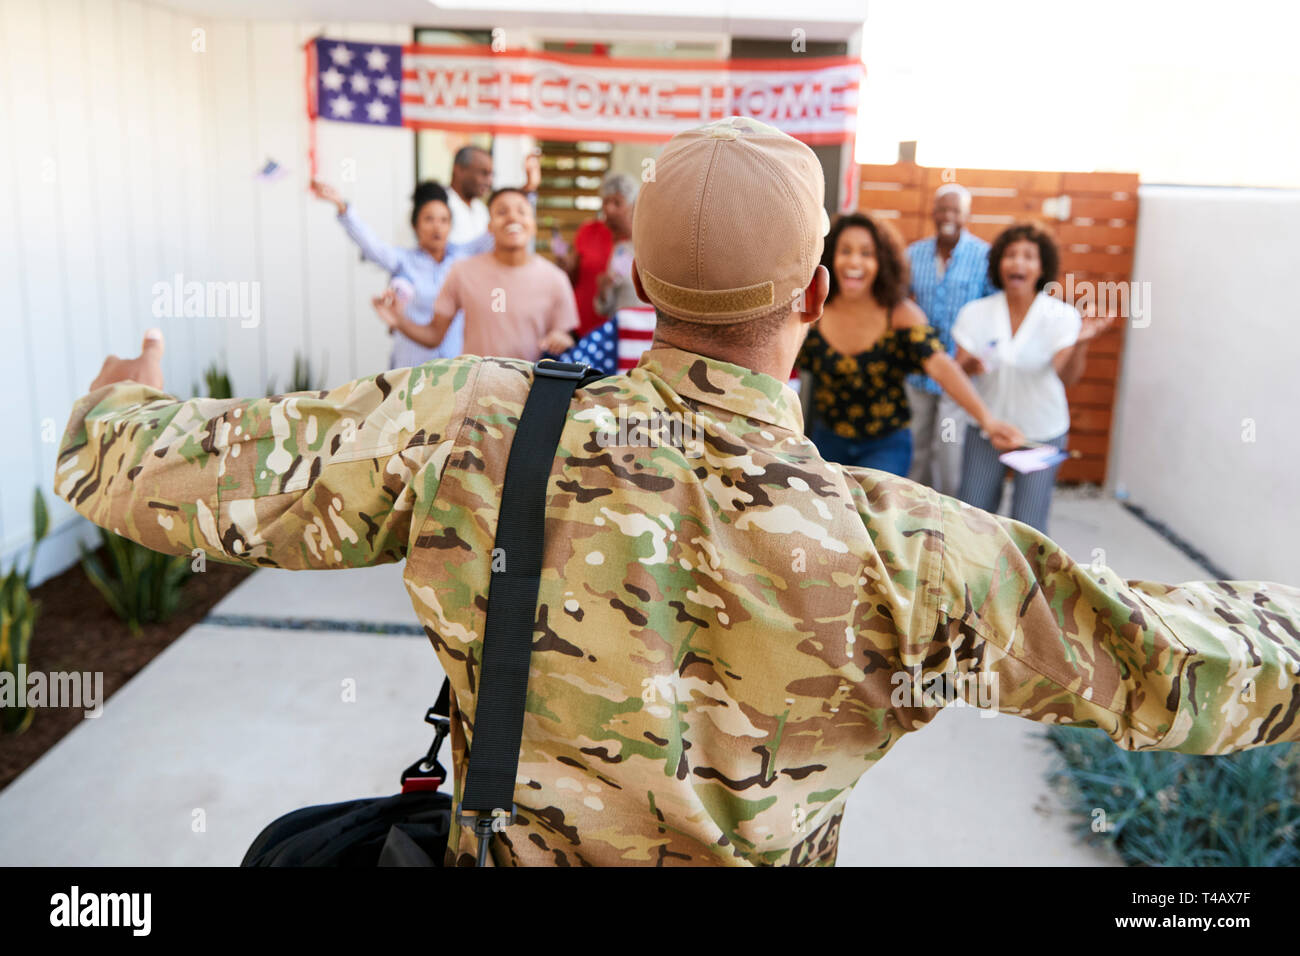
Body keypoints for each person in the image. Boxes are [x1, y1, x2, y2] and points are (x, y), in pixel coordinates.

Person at [58, 116, 1300, 868]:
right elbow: (1184, 665)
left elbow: (179, 479)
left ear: (636, 277)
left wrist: (116, 409)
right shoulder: (912, 546)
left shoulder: (472, 423)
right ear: (815, 295)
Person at [796, 212, 1021, 475]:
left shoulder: (901, 314)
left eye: (867, 253)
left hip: (885, 447)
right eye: (845, 251)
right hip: (826, 441)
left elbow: (942, 368)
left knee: (874, 515)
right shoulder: (814, 311)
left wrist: (988, 421)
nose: (854, 261)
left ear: (882, 262)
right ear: (831, 257)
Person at [952, 222, 1111, 533]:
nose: (1018, 263)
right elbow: (958, 372)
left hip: (1041, 433)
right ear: (999, 263)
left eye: (1029, 256)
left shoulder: (1062, 316)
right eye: (1011, 255)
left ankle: (1024, 582)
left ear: (1042, 268)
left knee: (1029, 526)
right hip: (986, 429)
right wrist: (971, 364)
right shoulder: (975, 312)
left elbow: (1066, 376)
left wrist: (1081, 343)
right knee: (972, 518)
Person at [376, 188, 578, 362]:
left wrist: (561, 339)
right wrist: (399, 321)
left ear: (533, 225)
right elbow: (434, 335)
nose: (513, 217)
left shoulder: (556, 279)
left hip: (534, 396)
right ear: (489, 227)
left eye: (522, 211)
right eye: (501, 212)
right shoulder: (461, 272)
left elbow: (566, 337)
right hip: (476, 397)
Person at [310, 179, 468, 369]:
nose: (437, 227)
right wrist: (342, 206)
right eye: (429, 219)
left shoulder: (462, 258)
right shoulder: (403, 260)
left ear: (451, 225)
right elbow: (372, 245)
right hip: (412, 366)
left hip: (454, 366)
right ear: (415, 225)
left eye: (444, 220)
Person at [904, 184, 997, 495]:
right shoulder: (913, 255)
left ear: (967, 215)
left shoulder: (984, 257)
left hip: (959, 373)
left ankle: (946, 518)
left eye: (955, 210)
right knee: (915, 447)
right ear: (933, 212)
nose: (948, 216)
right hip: (919, 372)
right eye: (942, 208)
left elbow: (996, 312)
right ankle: (911, 515)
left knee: (949, 453)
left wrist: (979, 356)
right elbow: (898, 303)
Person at [557, 172, 638, 338]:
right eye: (606, 201)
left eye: (617, 203)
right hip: (581, 326)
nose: (609, 208)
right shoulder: (589, 231)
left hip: (619, 333)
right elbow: (572, 278)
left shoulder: (639, 244)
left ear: (633, 206)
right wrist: (567, 266)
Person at [446, 144, 542, 246]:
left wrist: (529, 186)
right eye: (484, 173)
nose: (489, 181)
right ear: (459, 170)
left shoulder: (480, 209)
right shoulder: (442, 205)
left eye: (492, 174)